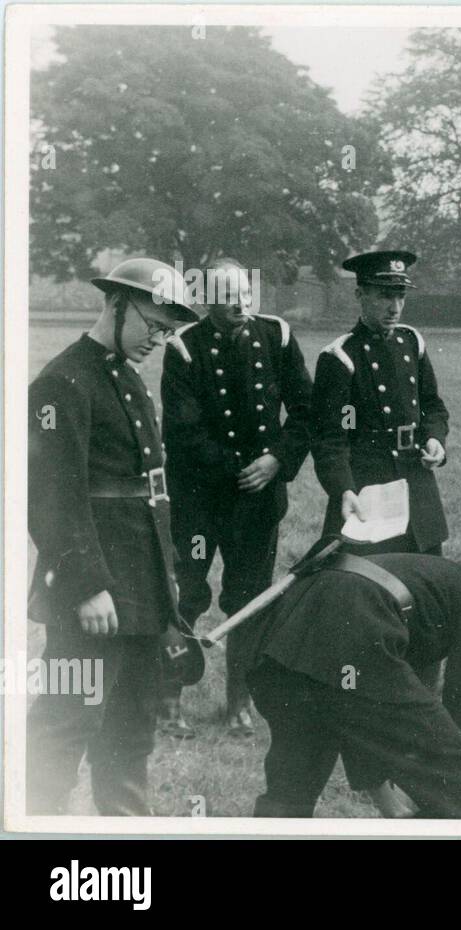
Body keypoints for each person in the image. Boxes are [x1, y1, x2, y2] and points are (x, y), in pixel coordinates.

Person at [26, 257, 198, 815]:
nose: (159, 339)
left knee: (130, 732)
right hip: (93, 595)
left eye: (168, 331)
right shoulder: (63, 381)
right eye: (154, 324)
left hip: (141, 590)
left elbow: (148, 496)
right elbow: (50, 497)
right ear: (116, 304)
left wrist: (165, 586)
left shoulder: (124, 377)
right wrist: (85, 585)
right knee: (65, 722)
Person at [159, 258, 313, 738]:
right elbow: (183, 433)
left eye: (246, 295)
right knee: (186, 593)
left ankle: (238, 703)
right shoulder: (183, 348)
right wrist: (236, 469)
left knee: (249, 601)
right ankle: (168, 699)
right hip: (199, 501)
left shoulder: (278, 336)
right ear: (206, 300)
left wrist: (276, 462)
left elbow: (308, 412)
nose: (241, 306)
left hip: (259, 503)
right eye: (228, 299)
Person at [247, 548, 461, 818]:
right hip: (352, 627)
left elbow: (361, 713)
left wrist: (388, 802)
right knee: (459, 767)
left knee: (296, 775)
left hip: (286, 633)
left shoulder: (419, 577)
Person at [312, 250, 450, 555]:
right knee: (370, 585)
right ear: (360, 294)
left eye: (401, 296)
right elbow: (331, 438)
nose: (395, 307)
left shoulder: (412, 343)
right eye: (385, 296)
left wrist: (435, 439)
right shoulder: (341, 357)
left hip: (417, 483)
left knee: (427, 582)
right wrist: (343, 489)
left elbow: (433, 406)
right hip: (368, 488)